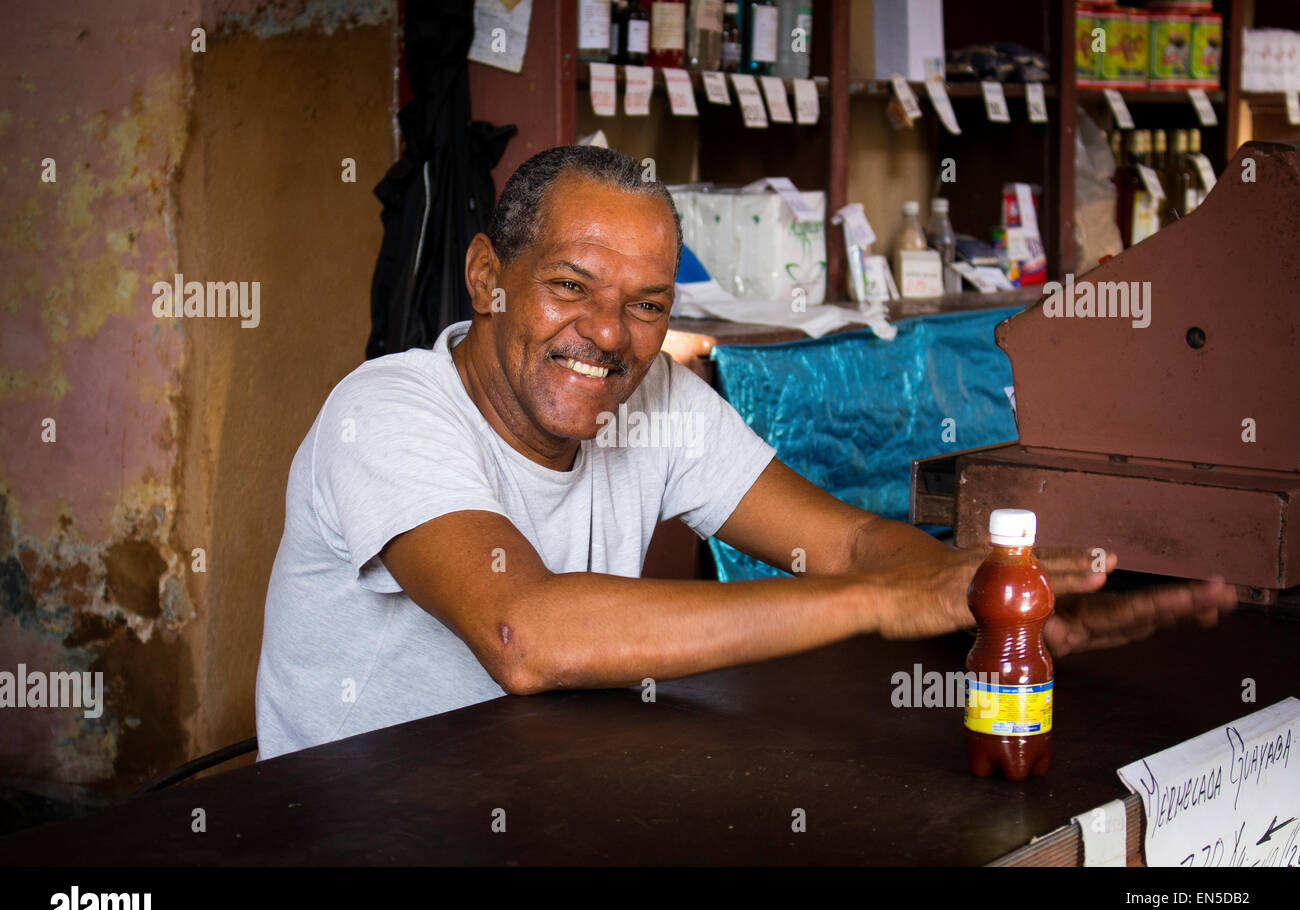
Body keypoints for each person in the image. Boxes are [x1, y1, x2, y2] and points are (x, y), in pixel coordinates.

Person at [254, 145, 1236, 760]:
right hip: (352, 826)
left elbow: (847, 545)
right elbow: (524, 636)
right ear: (485, 275)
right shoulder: (384, 413)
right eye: (569, 285)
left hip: (530, 797)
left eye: (647, 305)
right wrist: (885, 603)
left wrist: (970, 588)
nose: (607, 334)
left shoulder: (660, 400)